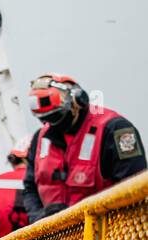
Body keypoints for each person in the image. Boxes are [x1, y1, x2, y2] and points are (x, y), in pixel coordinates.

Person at [22, 74, 145, 222]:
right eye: (45, 119)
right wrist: (38, 219)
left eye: (55, 117)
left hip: (109, 233)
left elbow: (134, 187)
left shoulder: (113, 129)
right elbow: (30, 187)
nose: (50, 124)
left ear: (77, 102)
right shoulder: (41, 139)